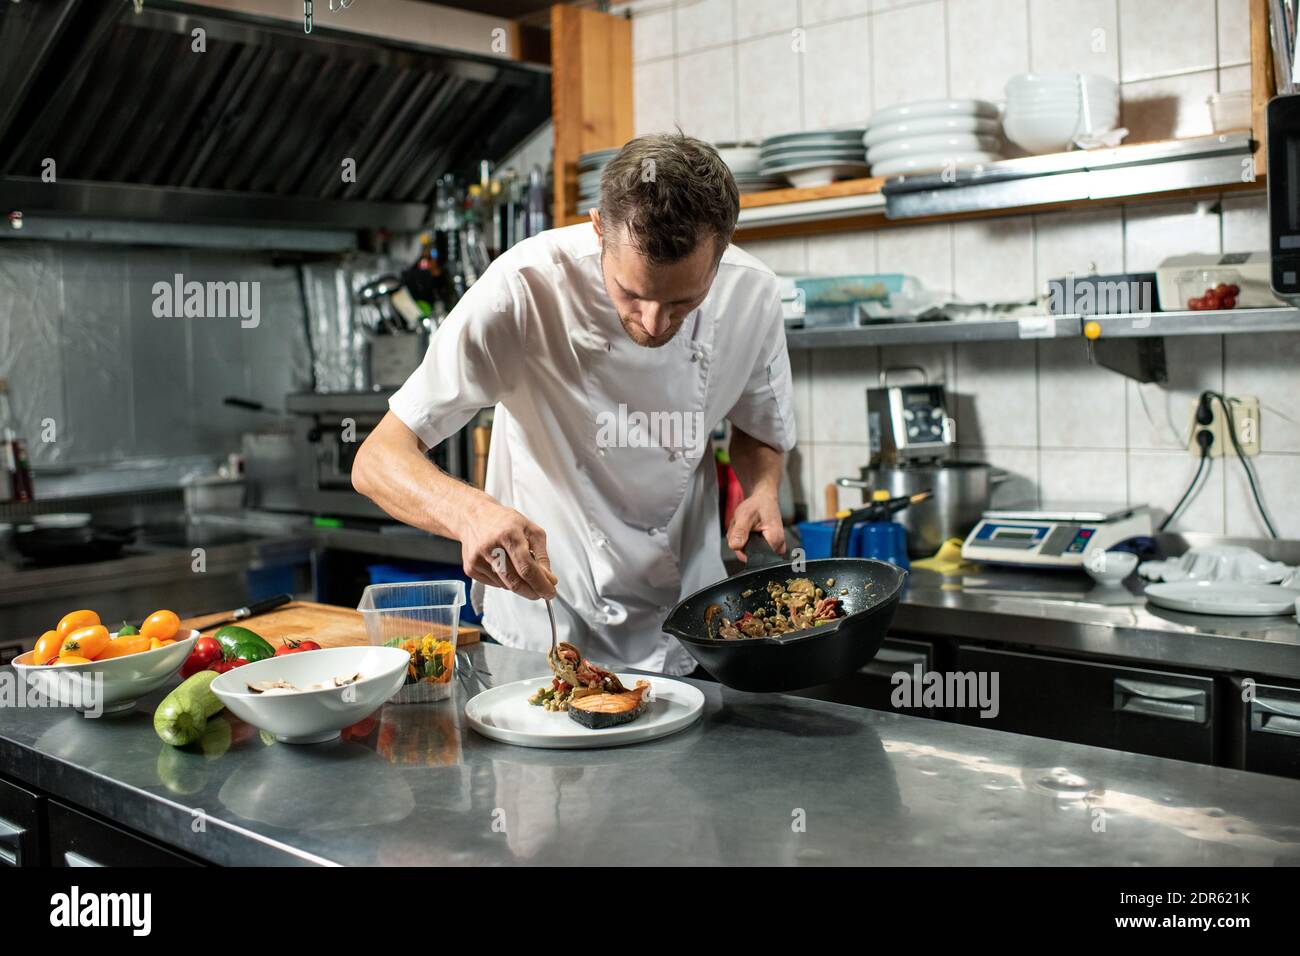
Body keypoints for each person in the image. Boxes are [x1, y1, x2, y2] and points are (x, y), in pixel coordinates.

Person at [352, 132, 795, 675]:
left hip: (687, 619)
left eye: (682, 302)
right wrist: (469, 512)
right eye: (631, 294)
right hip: (544, 619)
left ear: (721, 254)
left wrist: (763, 487)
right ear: (598, 230)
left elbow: (759, 426)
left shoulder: (754, 293)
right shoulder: (523, 287)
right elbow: (377, 458)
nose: (654, 324)